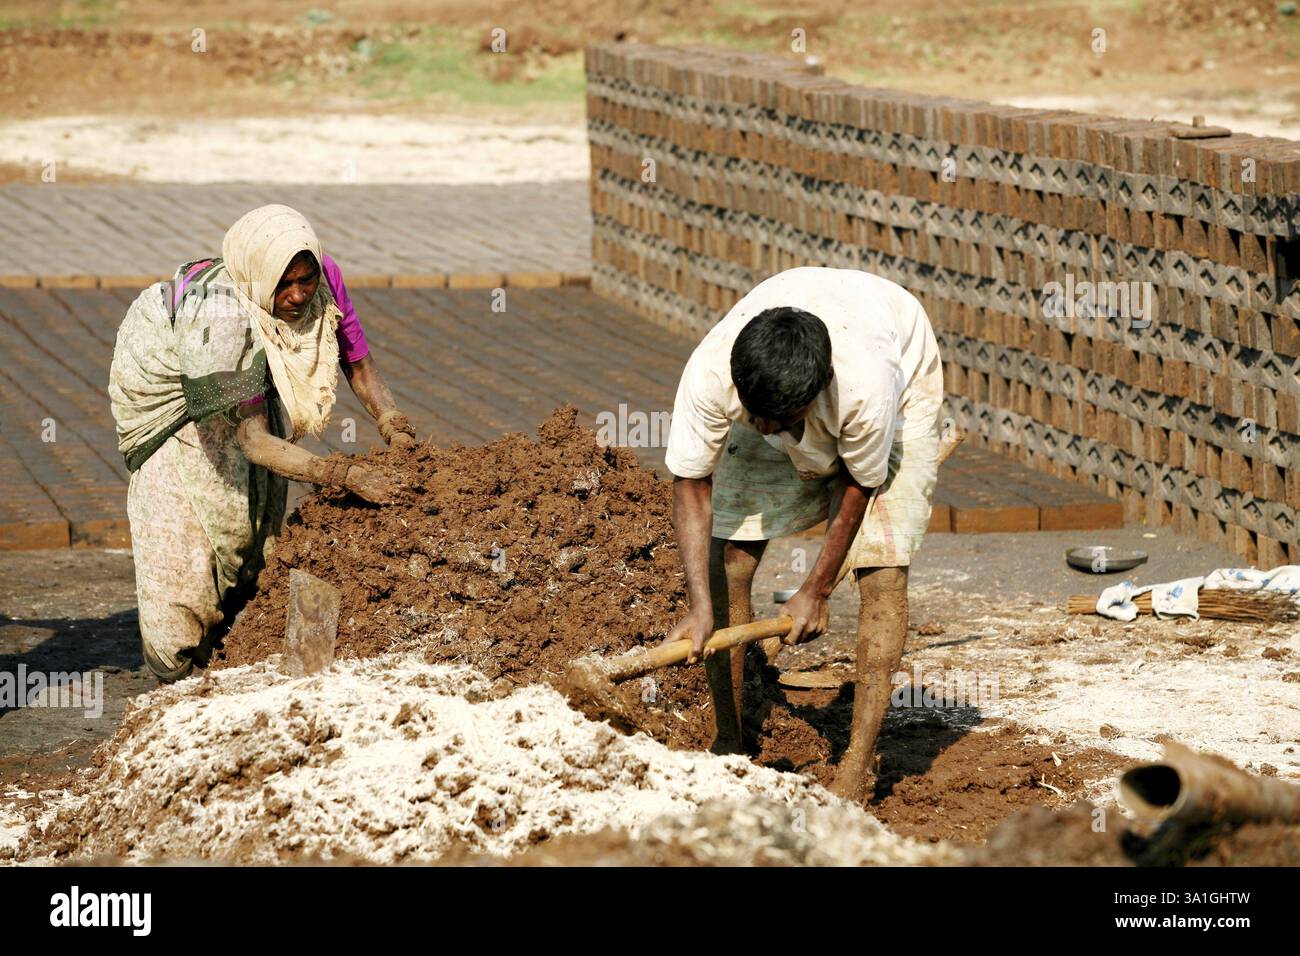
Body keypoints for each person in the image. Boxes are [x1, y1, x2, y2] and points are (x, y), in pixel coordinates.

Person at [662, 266, 945, 802]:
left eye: (781, 419)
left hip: (901, 381)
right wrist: (699, 607)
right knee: (733, 562)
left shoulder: (867, 387)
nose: (767, 431)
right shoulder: (712, 373)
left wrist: (814, 590)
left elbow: (858, 485)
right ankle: (730, 741)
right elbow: (693, 486)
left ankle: (855, 769)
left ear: (815, 395)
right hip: (787, 383)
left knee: (882, 571)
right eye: (757, 416)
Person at [109, 204, 418, 682]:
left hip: (245, 383)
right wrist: (341, 475)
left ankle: (243, 636)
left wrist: (394, 423)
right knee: (192, 546)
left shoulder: (325, 276)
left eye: (305, 281)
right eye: (283, 285)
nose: (298, 296)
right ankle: (181, 665)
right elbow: (253, 439)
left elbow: (357, 361)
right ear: (258, 279)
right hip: (175, 405)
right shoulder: (220, 314)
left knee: (258, 536)